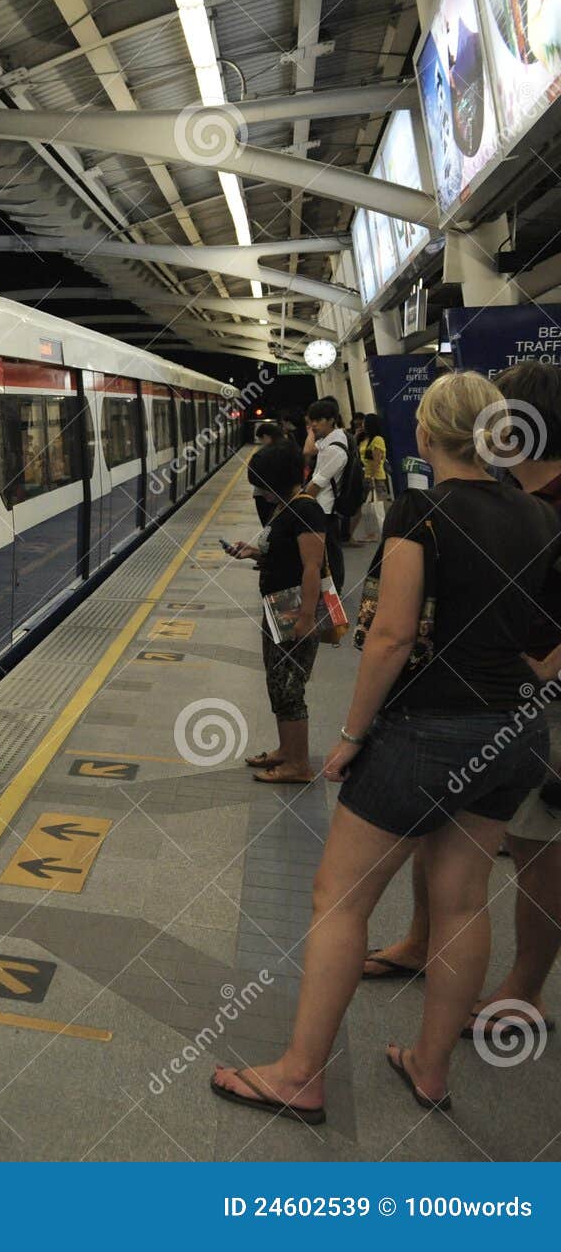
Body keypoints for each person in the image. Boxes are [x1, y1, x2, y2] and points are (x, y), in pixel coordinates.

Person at [210, 371, 561, 1121]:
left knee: (339, 900)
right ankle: (430, 1070)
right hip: (515, 735)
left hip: (427, 733)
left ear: (426, 436)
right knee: (463, 903)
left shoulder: (421, 512)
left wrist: (349, 737)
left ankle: (301, 1074)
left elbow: (394, 636)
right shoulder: (537, 516)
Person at [360, 363, 561, 1042]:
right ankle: (423, 957)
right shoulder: (516, 499)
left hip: (524, 713)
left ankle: (523, 989)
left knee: (539, 855)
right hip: (497, 713)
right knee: (449, 856)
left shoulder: (539, 505)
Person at [230, 445, 326, 784]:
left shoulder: (305, 511)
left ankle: (298, 765)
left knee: (289, 687)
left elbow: (312, 567)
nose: (259, 491)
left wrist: (306, 617)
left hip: (295, 607)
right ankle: (286, 751)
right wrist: (254, 552)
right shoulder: (287, 507)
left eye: (263, 484)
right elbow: (286, 554)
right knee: (277, 683)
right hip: (279, 605)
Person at [299, 397, 349, 591]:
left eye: (317, 420)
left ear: (330, 420)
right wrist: (311, 430)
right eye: (311, 420)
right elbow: (308, 450)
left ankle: (333, 592)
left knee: (328, 555)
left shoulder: (334, 450)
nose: (313, 425)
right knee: (329, 553)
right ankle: (331, 590)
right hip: (324, 508)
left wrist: (298, 505)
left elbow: (316, 485)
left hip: (324, 509)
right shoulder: (332, 440)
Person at [347, 413, 389, 544]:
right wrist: (356, 436)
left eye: (365, 422)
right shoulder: (364, 439)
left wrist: (371, 477)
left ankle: (384, 532)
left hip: (375, 477)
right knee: (366, 508)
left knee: (378, 506)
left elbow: (377, 460)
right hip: (364, 475)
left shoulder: (377, 439)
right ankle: (371, 533)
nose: (362, 425)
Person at [251, 420, 288, 525]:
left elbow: (254, 476)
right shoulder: (288, 446)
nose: (261, 443)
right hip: (282, 496)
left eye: (261, 440)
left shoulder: (268, 452)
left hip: (266, 497)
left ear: (266, 436)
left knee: (269, 526)